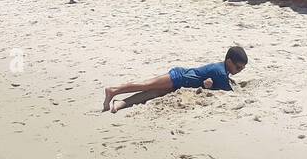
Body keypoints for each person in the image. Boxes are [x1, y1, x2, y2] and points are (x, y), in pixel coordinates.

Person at [103, 46, 248, 112]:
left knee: (152, 93)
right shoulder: (220, 73)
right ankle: (114, 90)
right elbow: (228, 92)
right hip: (179, 77)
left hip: (180, 84)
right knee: (147, 85)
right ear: (229, 62)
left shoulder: (222, 70)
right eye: (238, 68)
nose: (239, 71)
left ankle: (121, 103)